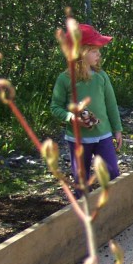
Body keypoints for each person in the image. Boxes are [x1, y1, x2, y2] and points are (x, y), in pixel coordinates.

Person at [50, 22, 123, 188]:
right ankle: (84, 203)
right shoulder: (65, 79)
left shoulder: (101, 76)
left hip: (103, 135)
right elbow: (55, 107)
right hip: (78, 139)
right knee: (81, 179)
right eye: (94, 51)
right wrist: (72, 118)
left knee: (112, 173)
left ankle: (116, 202)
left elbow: (111, 104)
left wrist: (117, 129)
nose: (99, 54)